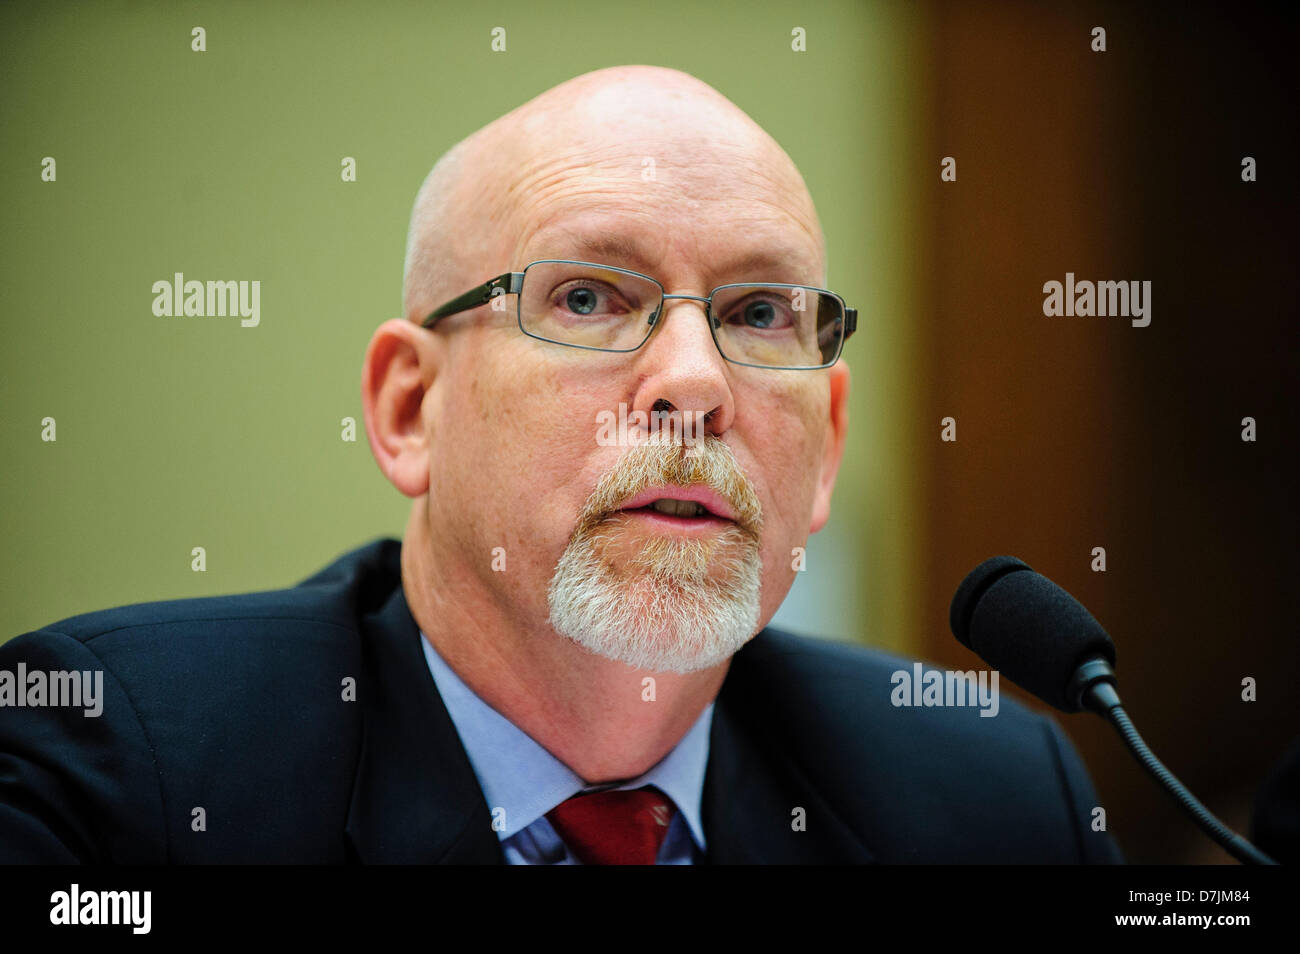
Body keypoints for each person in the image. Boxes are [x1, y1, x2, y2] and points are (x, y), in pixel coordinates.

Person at [0, 65, 1120, 864]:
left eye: (761, 311)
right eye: (588, 297)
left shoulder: (993, 797)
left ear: (824, 445)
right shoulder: (115, 772)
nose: (694, 382)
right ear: (409, 408)